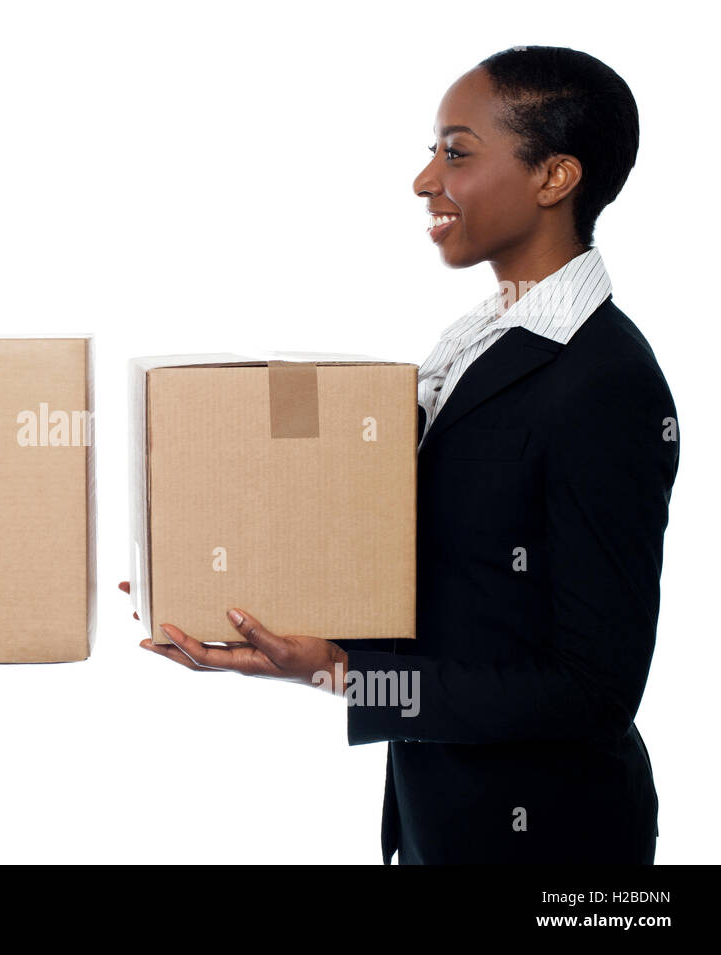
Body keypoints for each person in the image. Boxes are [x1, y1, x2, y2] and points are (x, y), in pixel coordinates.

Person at [128, 46, 679, 864]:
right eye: (431, 152)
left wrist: (349, 674)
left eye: (456, 153)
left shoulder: (604, 382)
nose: (426, 180)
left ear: (554, 178)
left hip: (547, 838)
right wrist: (237, 590)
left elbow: (594, 690)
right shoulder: (479, 342)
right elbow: (460, 579)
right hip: (440, 816)